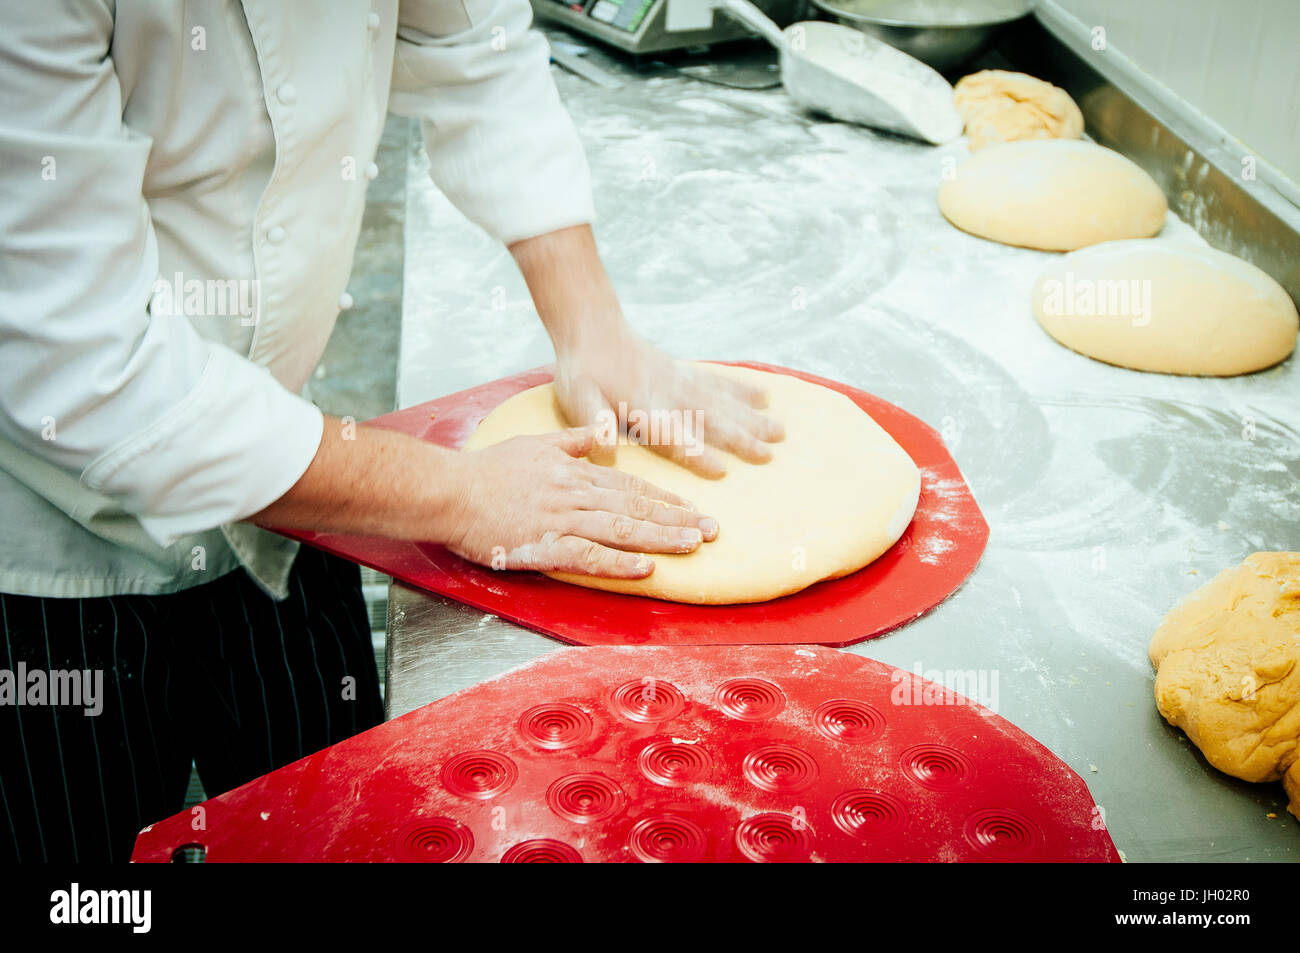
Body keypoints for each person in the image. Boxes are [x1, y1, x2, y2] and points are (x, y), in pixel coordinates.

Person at [0, 0, 782, 862]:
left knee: (334, 832)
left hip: (291, 476)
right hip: (49, 555)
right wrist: (464, 494)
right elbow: (83, 372)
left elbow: (473, 47)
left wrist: (591, 324)